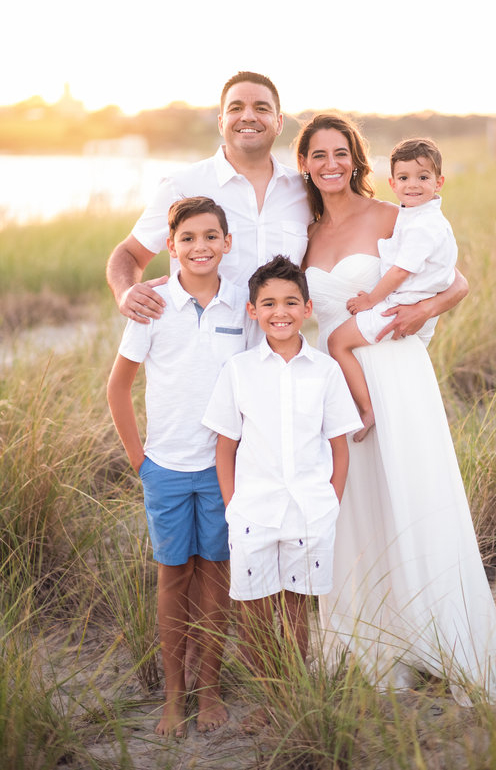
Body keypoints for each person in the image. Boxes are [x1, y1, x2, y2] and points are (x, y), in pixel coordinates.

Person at [297, 114, 496, 706]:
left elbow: (454, 280)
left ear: (356, 159)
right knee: (356, 503)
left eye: (340, 152)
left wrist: (421, 311)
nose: (330, 163)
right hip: (340, 378)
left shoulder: (393, 214)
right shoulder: (302, 231)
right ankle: (374, 642)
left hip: (395, 372)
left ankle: (437, 634)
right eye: (317, 155)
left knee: (411, 494)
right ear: (305, 163)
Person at [107, 197, 257, 737]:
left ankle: (210, 688)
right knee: (174, 575)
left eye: (211, 237)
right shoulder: (152, 304)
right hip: (165, 468)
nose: (200, 247)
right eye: (188, 238)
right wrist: (139, 461)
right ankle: (174, 695)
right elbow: (118, 387)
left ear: (227, 244)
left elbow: (258, 379)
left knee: (216, 574)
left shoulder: (244, 306)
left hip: (223, 470)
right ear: (170, 247)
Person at [202, 255, 361, 728]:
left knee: (297, 607)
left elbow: (339, 447)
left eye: (291, 302)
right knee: (254, 610)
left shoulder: (326, 371)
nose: (280, 311)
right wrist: (233, 507)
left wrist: (330, 501)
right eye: (268, 303)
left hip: (310, 509)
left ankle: (293, 696)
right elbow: (224, 447)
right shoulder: (239, 370)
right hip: (253, 509)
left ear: (307, 308)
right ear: (252, 312)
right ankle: (267, 697)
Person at [106, 71, 311, 323]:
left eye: (261, 108)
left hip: (277, 356)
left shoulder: (305, 191)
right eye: (236, 108)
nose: (248, 116)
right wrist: (125, 292)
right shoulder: (182, 185)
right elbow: (129, 253)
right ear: (221, 122)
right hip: (202, 352)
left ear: (278, 123)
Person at [327, 137, 457, 441]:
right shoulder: (415, 216)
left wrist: (371, 300)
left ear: (439, 182)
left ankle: (368, 408)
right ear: (392, 182)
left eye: (423, 178)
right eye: (404, 178)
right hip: (400, 302)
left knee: (336, 343)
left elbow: (401, 271)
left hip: (395, 307)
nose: (413, 185)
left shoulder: (423, 226)